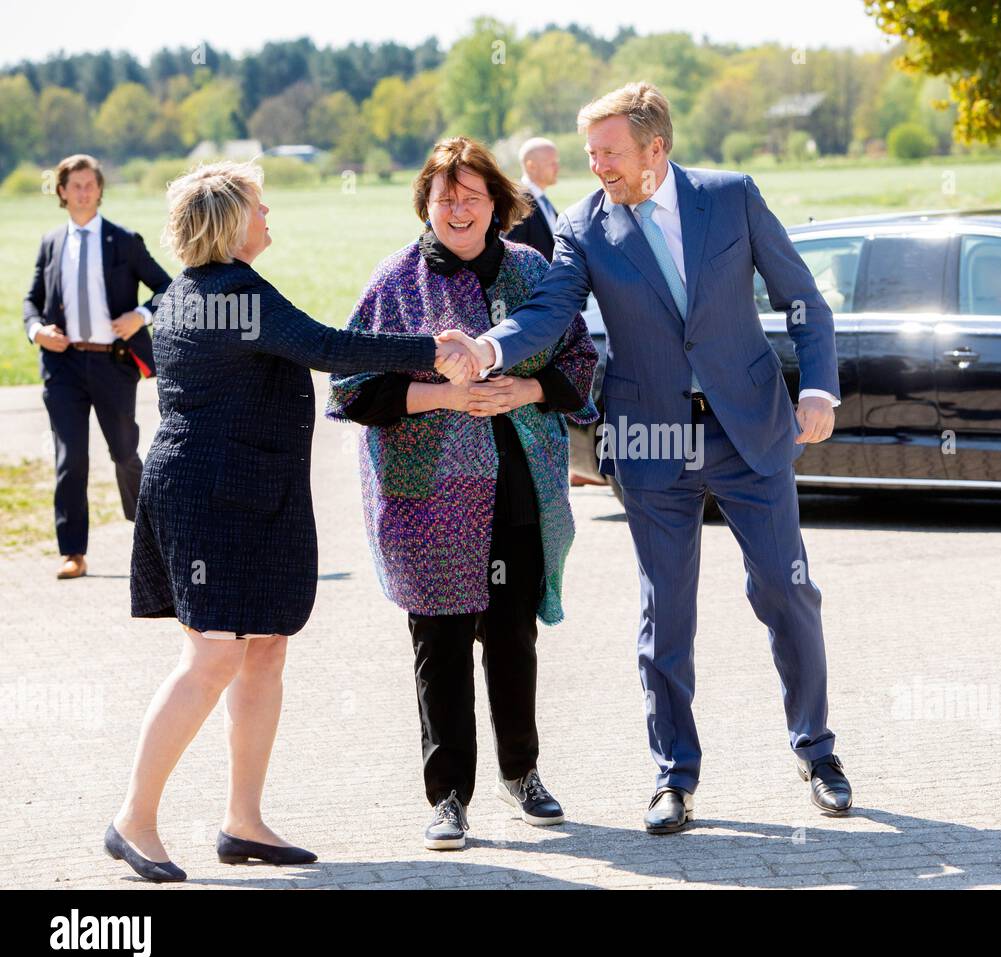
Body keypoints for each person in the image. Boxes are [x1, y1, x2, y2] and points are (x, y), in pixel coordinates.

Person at [435, 82, 853, 834]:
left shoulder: (733, 198)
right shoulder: (586, 226)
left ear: (655, 148)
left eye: (609, 153)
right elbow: (553, 307)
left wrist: (818, 388)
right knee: (666, 615)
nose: (596, 167)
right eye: (590, 153)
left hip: (749, 432)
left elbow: (804, 302)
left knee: (787, 592)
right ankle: (674, 775)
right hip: (649, 442)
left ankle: (818, 752)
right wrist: (491, 345)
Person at [109, 161, 445, 883]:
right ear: (232, 222)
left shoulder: (189, 292)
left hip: (240, 495)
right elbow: (327, 347)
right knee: (212, 657)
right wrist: (432, 349)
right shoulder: (230, 293)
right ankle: (133, 819)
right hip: (213, 498)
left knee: (264, 649)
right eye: (261, 208)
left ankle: (243, 821)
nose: (270, 219)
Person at [326, 137, 597, 851]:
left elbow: (579, 355)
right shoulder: (397, 282)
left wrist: (529, 387)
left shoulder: (533, 271)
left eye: (471, 195)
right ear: (426, 202)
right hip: (428, 500)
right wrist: (439, 395)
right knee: (440, 644)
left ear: (497, 204)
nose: (457, 208)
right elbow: (352, 388)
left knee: (512, 636)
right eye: (444, 196)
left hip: (516, 487)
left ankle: (523, 773)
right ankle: (447, 796)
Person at [22, 154, 171, 580]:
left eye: (91, 184)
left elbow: (167, 286)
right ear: (62, 191)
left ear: (100, 190)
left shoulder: (123, 240)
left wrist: (139, 316)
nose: (84, 191)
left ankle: (153, 544)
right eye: (76, 185)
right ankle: (73, 553)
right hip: (63, 366)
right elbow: (31, 300)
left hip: (113, 364)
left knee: (124, 453)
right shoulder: (51, 243)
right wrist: (36, 331)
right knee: (70, 459)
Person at [506, 137, 561, 260]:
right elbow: (510, 251)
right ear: (531, 166)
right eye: (552, 163)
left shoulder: (542, 200)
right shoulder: (520, 200)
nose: (557, 168)